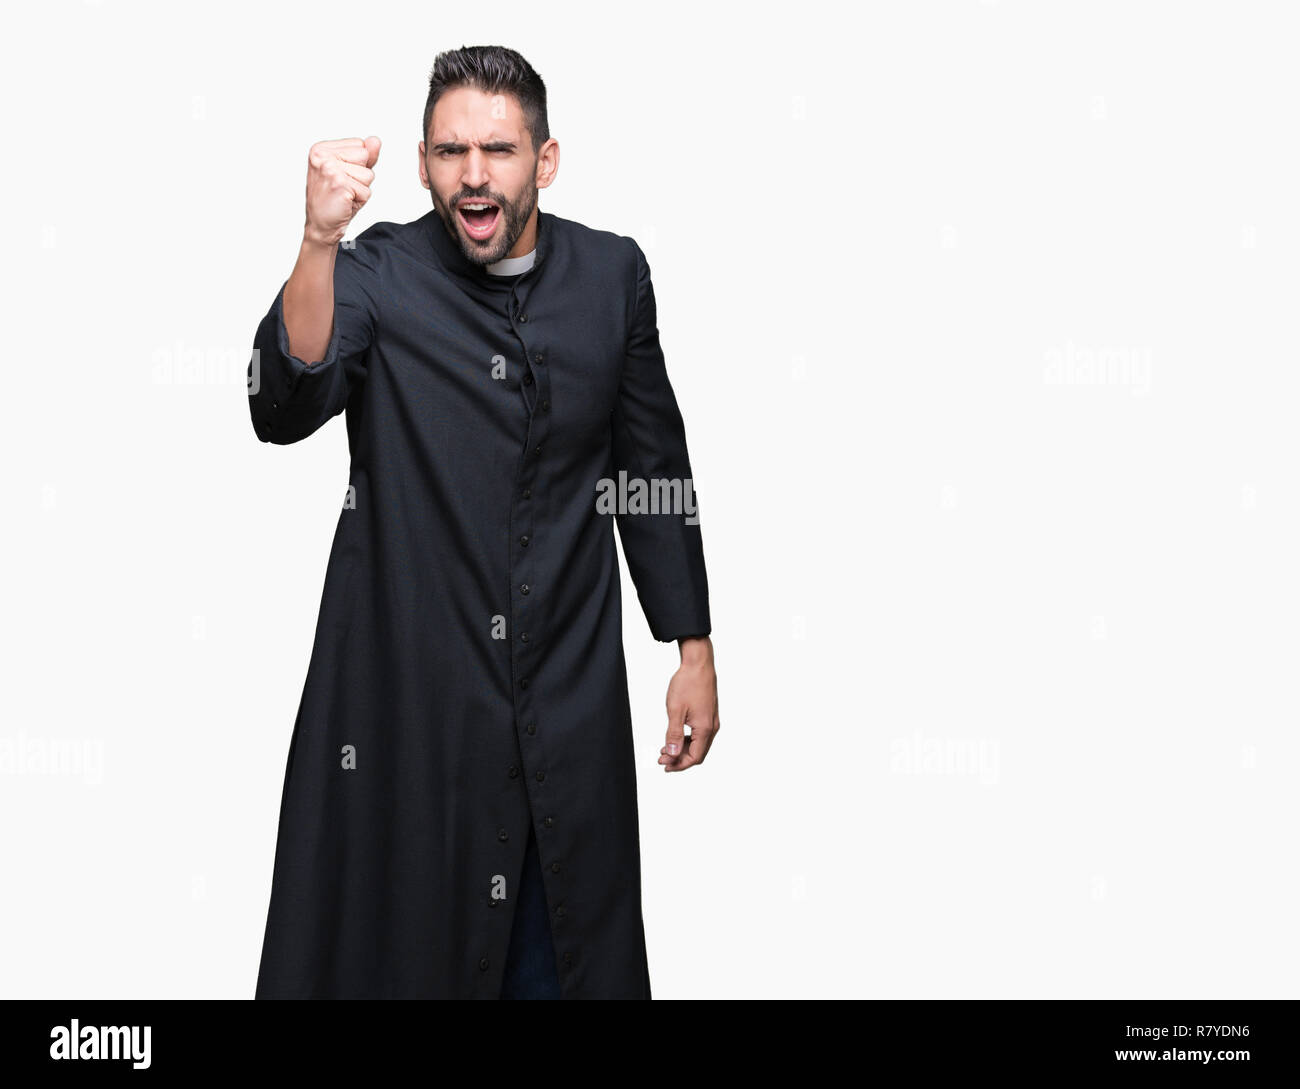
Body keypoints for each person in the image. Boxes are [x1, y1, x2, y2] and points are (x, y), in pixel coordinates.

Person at [247, 44, 720, 999]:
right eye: (451, 150)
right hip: (413, 718)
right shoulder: (378, 273)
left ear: (543, 161)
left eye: (498, 151)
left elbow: (650, 468)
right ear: (423, 164)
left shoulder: (613, 275)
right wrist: (315, 242)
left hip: (569, 703)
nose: (474, 174)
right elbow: (283, 403)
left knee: (562, 958)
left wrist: (692, 645)